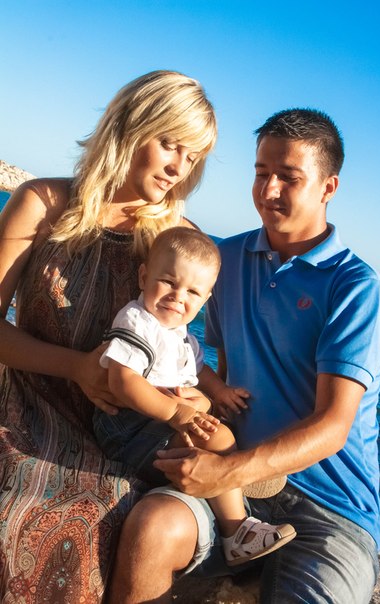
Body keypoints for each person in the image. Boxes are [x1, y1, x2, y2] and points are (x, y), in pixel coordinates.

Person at [109, 108, 380, 604]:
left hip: (330, 508)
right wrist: (196, 402)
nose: (269, 190)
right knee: (153, 526)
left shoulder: (357, 288)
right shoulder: (226, 261)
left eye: (289, 177)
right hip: (233, 490)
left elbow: (333, 425)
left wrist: (227, 470)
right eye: (261, 173)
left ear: (328, 187)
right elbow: (217, 370)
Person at [0, 70, 218, 602]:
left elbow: (183, 354)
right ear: (130, 125)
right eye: (170, 144)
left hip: (123, 436)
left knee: (90, 519)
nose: (179, 168)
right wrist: (76, 367)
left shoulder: (177, 244)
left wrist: (201, 399)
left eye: (193, 156)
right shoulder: (44, 203)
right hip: (26, 410)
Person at [93, 226, 296, 567]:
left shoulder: (180, 335)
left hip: (155, 426)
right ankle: (236, 530)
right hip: (127, 429)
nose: (177, 297)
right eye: (168, 282)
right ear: (143, 277)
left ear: (204, 301)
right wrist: (176, 413)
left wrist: (219, 393)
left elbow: (199, 370)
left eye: (192, 292)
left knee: (220, 432)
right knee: (217, 437)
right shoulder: (137, 321)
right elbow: (122, 381)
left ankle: (233, 479)